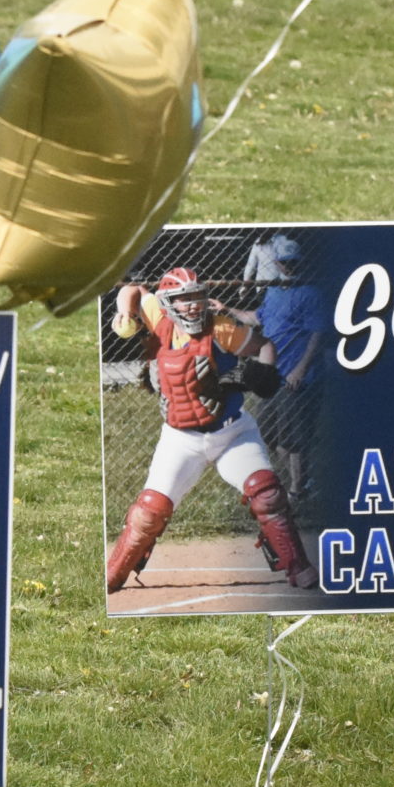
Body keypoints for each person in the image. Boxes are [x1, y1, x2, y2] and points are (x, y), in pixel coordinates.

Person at [106, 267, 315, 594]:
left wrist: (263, 372)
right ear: (168, 303)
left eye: (196, 297)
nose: (192, 306)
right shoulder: (157, 317)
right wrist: (124, 312)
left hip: (232, 434)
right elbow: (132, 289)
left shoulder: (219, 328)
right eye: (183, 299)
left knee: (268, 494)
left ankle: (298, 567)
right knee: (148, 513)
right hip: (180, 440)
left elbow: (264, 346)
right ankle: (113, 574)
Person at [245, 235, 327, 504]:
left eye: (294, 263)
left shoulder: (309, 293)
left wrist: (301, 370)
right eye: (285, 262)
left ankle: (296, 491)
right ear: (278, 263)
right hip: (272, 374)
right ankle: (305, 480)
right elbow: (256, 317)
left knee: (292, 439)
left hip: (294, 375)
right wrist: (225, 309)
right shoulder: (272, 292)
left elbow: (316, 334)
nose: (289, 267)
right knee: (268, 434)